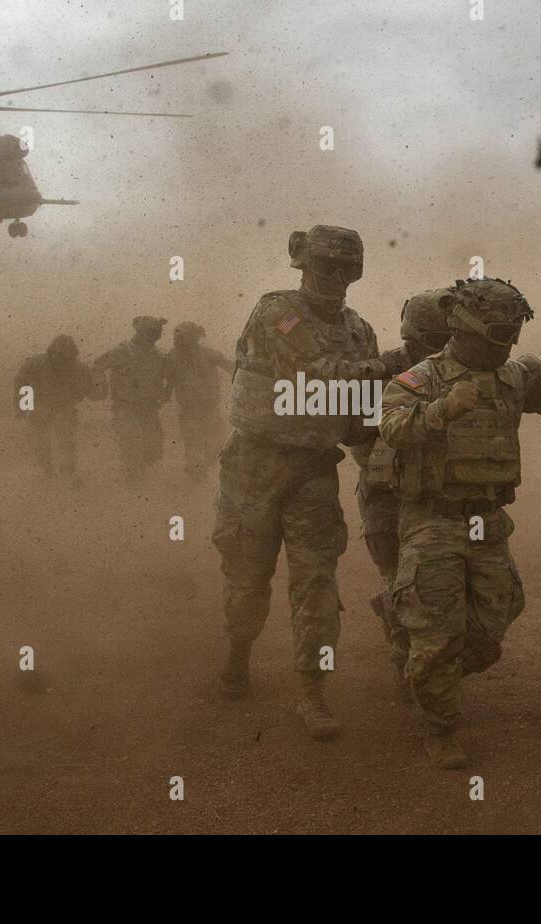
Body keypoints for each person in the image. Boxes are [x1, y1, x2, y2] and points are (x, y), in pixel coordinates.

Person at [212, 225, 407, 739]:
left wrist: (380, 473)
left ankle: (312, 692)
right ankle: (238, 652)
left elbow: (362, 413)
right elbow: (316, 372)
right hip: (253, 466)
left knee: (317, 584)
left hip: (313, 470)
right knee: (248, 577)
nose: (337, 279)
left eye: (348, 270)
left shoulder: (359, 330)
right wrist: (389, 366)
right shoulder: (279, 312)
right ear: (303, 264)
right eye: (327, 268)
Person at [378, 278, 541, 768]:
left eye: (512, 336)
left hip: (488, 520)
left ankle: (415, 646)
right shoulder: (422, 377)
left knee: (498, 613)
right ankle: (440, 727)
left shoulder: (513, 376)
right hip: (434, 520)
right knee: (437, 633)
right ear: (464, 329)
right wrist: (439, 412)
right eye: (496, 335)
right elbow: (389, 426)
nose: (505, 346)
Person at [351, 288, 454, 699]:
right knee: (402, 584)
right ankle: (406, 665)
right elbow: (353, 430)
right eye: (433, 342)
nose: (442, 350)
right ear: (411, 337)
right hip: (385, 494)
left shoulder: (454, 369)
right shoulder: (381, 372)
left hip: (432, 494)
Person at [13, 334, 103, 480]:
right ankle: (48, 470)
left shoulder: (79, 368)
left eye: (66, 357)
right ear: (52, 352)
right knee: (40, 442)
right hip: (40, 406)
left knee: (66, 440)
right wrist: (23, 406)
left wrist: (99, 383)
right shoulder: (36, 363)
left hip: (65, 407)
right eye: (59, 355)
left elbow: (92, 392)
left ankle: (67, 472)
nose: (62, 360)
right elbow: (22, 383)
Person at [95, 316, 170, 478]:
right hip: (125, 408)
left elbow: (171, 372)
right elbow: (97, 366)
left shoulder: (158, 355)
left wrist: (166, 391)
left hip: (149, 408)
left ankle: (136, 471)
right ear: (140, 333)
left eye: (156, 336)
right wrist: (102, 385)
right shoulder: (121, 351)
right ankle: (132, 479)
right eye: (150, 334)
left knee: (153, 450)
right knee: (131, 444)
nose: (152, 339)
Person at [166, 321, 234, 477]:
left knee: (216, 446)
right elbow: (169, 379)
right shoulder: (172, 357)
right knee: (193, 442)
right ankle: (196, 471)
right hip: (189, 410)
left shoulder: (208, 354)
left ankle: (200, 467)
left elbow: (229, 366)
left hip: (210, 408)